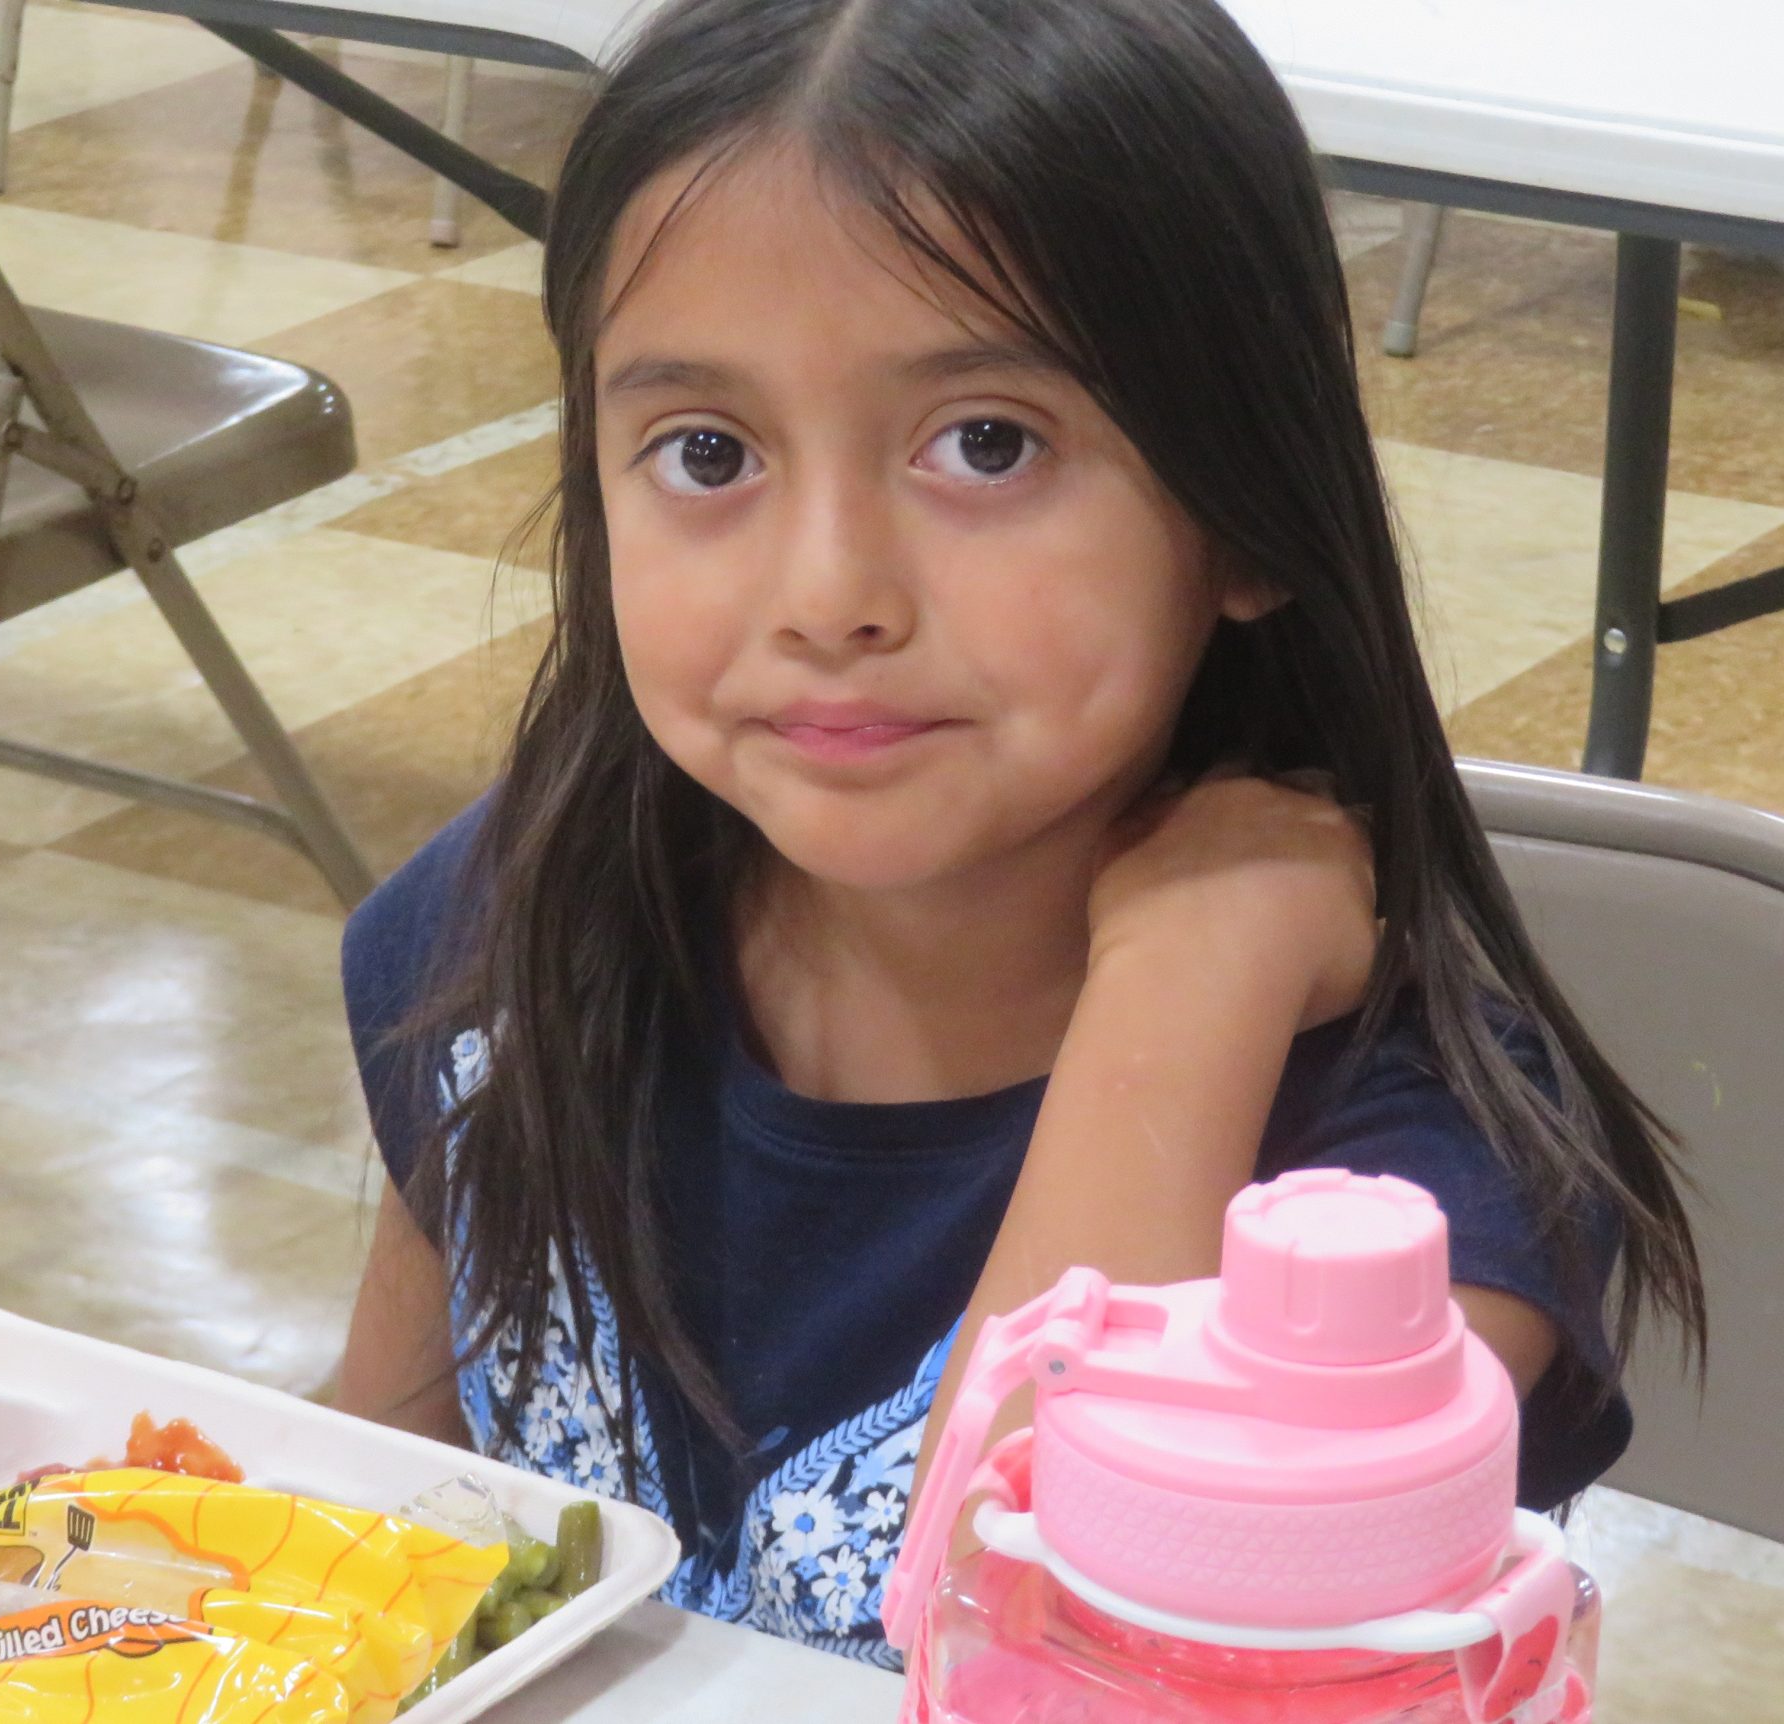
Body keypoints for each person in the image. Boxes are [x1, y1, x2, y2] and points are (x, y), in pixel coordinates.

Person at [332, 0, 1705, 1666]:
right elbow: (362, 1543)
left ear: (1245, 506)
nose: (829, 595)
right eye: (708, 452)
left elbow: (1030, 1670)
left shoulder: (1398, 1206)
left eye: (986, 444)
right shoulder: (516, 920)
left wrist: (1190, 979)